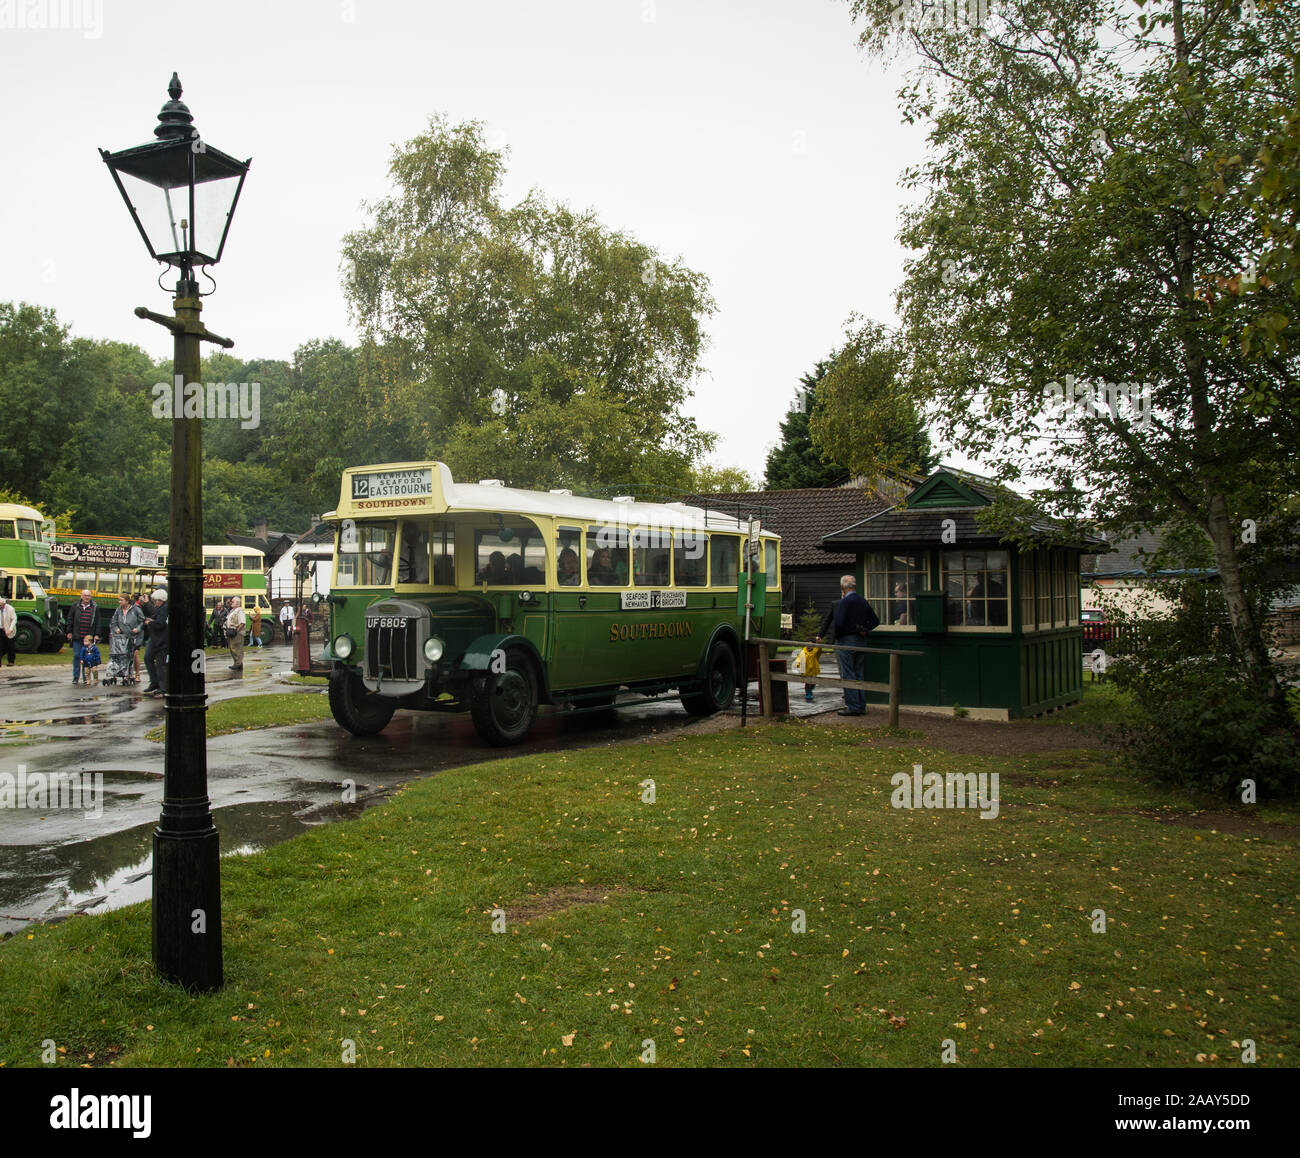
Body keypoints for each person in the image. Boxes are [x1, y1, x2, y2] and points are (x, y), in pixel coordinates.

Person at [830, 574, 880, 717]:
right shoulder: (862, 601)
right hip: (860, 640)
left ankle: (852, 706)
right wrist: (864, 629)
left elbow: (839, 623)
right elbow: (875, 620)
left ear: (842, 587)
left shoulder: (845, 602)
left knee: (848, 673)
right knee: (859, 673)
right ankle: (861, 705)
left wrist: (838, 636)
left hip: (846, 639)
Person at [65, 589, 101, 685]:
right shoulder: (75, 606)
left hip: (88, 638)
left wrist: (97, 634)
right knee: (77, 656)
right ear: (81, 596)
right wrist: (69, 631)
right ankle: (75, 677)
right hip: (77, 636)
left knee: (87, 658)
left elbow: (98, 621)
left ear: (91, 597)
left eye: (88, 595)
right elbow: (69, 619)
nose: (86, 597)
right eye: (85, 595)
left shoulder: (95, 607)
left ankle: (86, 677)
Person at [143, 589, 168, 696]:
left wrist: (150, 623)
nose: (155, 603)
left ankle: (161, 686)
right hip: (155, 639)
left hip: (159, 639)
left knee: (160, 663)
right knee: (149, 658)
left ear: (160, 600)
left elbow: (161, 624)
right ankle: (155, 682)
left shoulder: (163, 609)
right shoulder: (160, 608)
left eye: (156, 600)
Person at [225, 595, 246, 671]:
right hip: (231, 632)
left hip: (237, 633)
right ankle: (236, 663)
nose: (231, 603)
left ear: (237, 603)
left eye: (233, 602)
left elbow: (242, 622)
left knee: (237, 648)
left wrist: (236, 631)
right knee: (232, 648)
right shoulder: (232, 611)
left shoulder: (240, 611)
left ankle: (238, 664)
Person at [0, 595, 16, 667]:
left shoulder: (10, 609)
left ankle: (11, 661)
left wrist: (9, 629)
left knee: (10, 645)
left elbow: (14, 620)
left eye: (1, 605)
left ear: (4, 604)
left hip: (9, 628)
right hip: (1, 628)